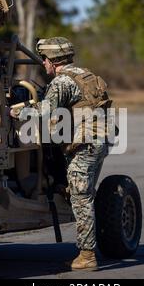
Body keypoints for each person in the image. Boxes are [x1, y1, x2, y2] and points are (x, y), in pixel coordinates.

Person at [11, 37, 112, 271]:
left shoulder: (62, 82)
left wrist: (19, 112)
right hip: (100, 140)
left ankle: (87, 256)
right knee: (81, 192)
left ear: (52, 60)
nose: (43, 64)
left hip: (85, 143)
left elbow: (47, 110)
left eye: (44, 59)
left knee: (80, 196)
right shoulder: (85, 74)